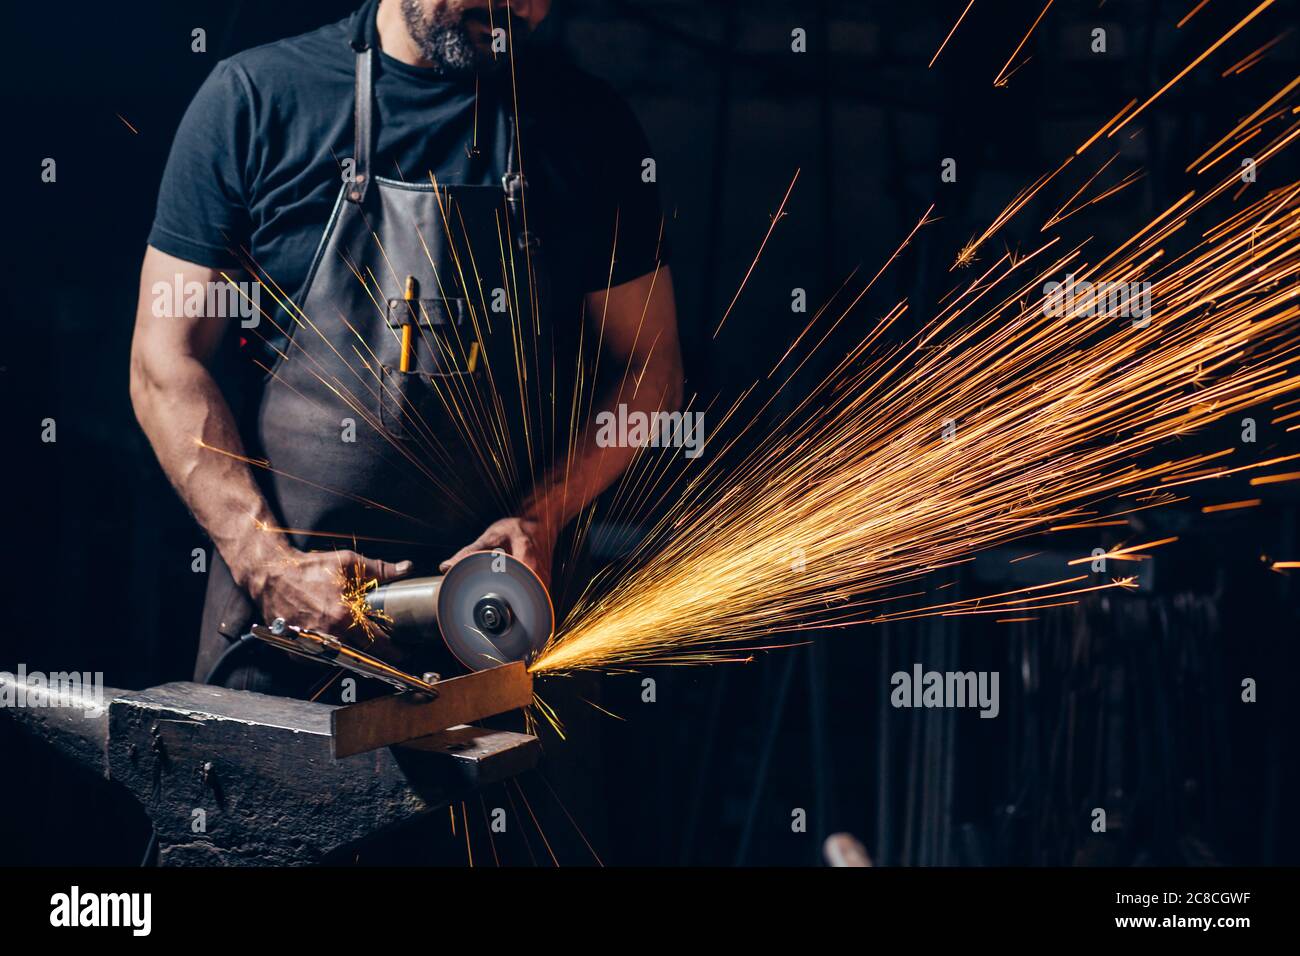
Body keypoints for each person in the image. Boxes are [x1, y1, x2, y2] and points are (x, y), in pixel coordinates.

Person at [130, 0, 682, 693]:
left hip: (497, 644)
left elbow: (651, 369)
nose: (522, 9)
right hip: (289, 641)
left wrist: (542, 518)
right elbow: (163, 362)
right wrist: (263, 561)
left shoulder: (588, 129)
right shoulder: (256, 101)